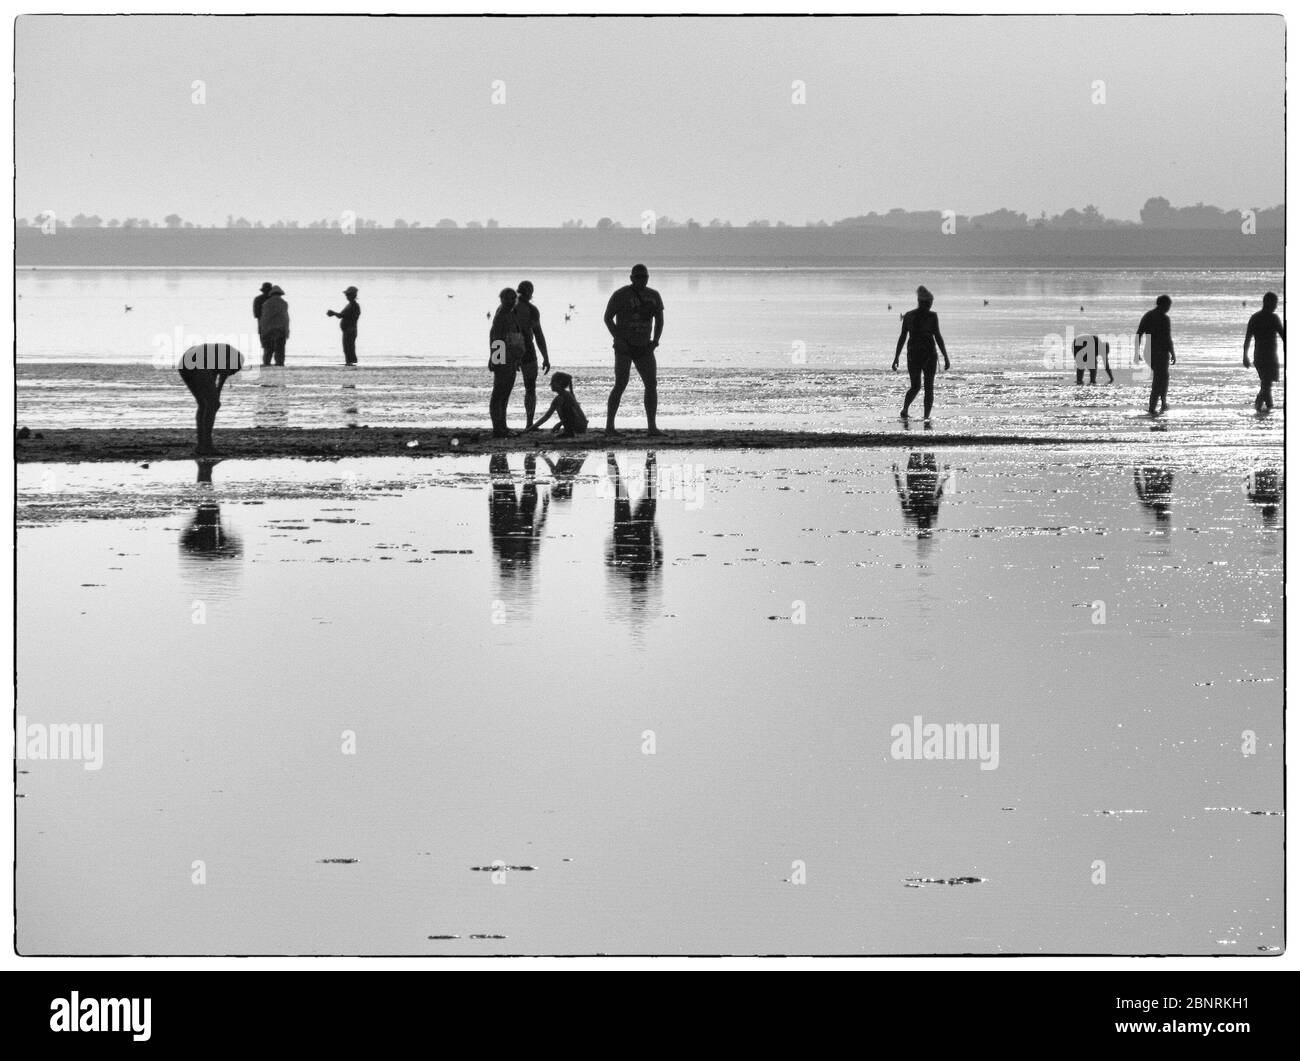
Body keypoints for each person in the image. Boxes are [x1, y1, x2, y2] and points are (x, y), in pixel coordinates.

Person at [603, 263, 665, 436]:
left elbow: (659, 320)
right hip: (624, 347)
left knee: (651, 384)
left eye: (644, 277)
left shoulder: (654, 295)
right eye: (638, 277)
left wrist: (655, 341)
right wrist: (618, 338)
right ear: (631, 278)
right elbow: (607, 318)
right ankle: (609, 427)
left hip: (644, 347)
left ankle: (652, 427)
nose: (641, 280)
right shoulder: (621, 295)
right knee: (620, 384)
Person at [892, 285, 950, 419]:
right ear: (922, 302)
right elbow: (903, 337)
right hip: (921, 355)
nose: (930, 306)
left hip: (921, 354)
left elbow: (937, 337)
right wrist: (896, 357)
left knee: (922, 387)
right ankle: (913, 412)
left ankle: (918, 414)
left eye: (931, 303)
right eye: (929, 303)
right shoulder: (918, 316)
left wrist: (945, 357)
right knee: (922, 386)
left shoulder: (918, 316)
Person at [177, 342, 244, 456]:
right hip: (198, 361)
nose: (231, 374)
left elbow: (210, 380)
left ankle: (201, 445)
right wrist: (218, 391)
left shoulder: (216, 359)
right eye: (234, 371)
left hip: (184, 361)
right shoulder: (236, 357)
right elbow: (224, 372)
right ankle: (207, 445)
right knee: (213, 404)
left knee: (203, 404)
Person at [488, 287, 528, 437]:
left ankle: (503, 426)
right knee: (499, 393)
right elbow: (495, 338)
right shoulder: (501, 316)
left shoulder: (512, 314)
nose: (510, 301)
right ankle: (497, 428)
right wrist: (495, 359)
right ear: (501, 299)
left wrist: (517, 359)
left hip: (511, 359)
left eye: (513, 298)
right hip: (502, 358)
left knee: (506, 394)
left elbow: (515, 338)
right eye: (507, 298)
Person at [516, 280, 551, 427]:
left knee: (503, 387)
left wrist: (496, 354)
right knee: (530, 387)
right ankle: (529, 423)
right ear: (530, 293)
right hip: (524, 350)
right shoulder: (529, 309)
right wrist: (546, 357)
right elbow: (538, 335)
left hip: (515, 350)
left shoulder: (507, 307)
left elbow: (497, 334)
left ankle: (527, 423)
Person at [1243, 291, 1284, 412]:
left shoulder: (1255, 317)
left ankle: (1267, 412)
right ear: (1267, 302)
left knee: (1266, 385)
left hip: (1259, 358)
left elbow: (1247, 339)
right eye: (1274, 303)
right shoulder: (1272, 318)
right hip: (1268, 358)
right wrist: (1245, 356)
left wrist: (1245, 356)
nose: (1275, 306)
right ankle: (1258, 405)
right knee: (1266, 385)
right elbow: (1284, 336)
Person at [1135, 295, 1175, 415]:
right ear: (1163, 304)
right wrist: (1172, 352)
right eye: (1168, 305)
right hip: (1160, 352)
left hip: (1149, 352)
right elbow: (1167, 338)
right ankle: (1153, 407)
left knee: (1162, 377)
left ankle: (1162, 403)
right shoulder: (1164, 318)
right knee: (1160, 379)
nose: (1168, 308)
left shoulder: (1148, 316)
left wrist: (1137, 351)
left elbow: (1139, 333)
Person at [527, 371, 587, 437]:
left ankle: (568, 432)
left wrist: (560, 424)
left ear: (559, 383)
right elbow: (547, 416)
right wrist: (532, 428)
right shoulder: (564, 395)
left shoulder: (563, 397)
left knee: (565, 408)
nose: (550, 384)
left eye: (553, 382)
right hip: (581, 425)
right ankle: (568, 431)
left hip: (579, 425)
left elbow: (572, 414)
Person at [327, 286, 362, 366]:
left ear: (354, 295)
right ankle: (349, 362)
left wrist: (333, 313)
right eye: (347, 295)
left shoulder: (355, 306)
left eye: (349, 295)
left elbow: (344, 315)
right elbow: (342, 315)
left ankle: (350, 362)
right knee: (346, 347)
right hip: (347, 330)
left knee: (349, 347)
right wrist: (334, 313)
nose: (347, 296)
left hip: (350, 330)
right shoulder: (349, 305)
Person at [258, 285, 290, 366]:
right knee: (280, 349)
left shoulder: (266, 303)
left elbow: (265, 318)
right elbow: (285, 318)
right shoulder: (284, 303)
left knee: (268, 348)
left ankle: (266, 363)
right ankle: (280, 363)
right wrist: (286, 331)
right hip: (281, 329)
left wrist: (263, 330)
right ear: (280, 294)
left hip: (269, 329)